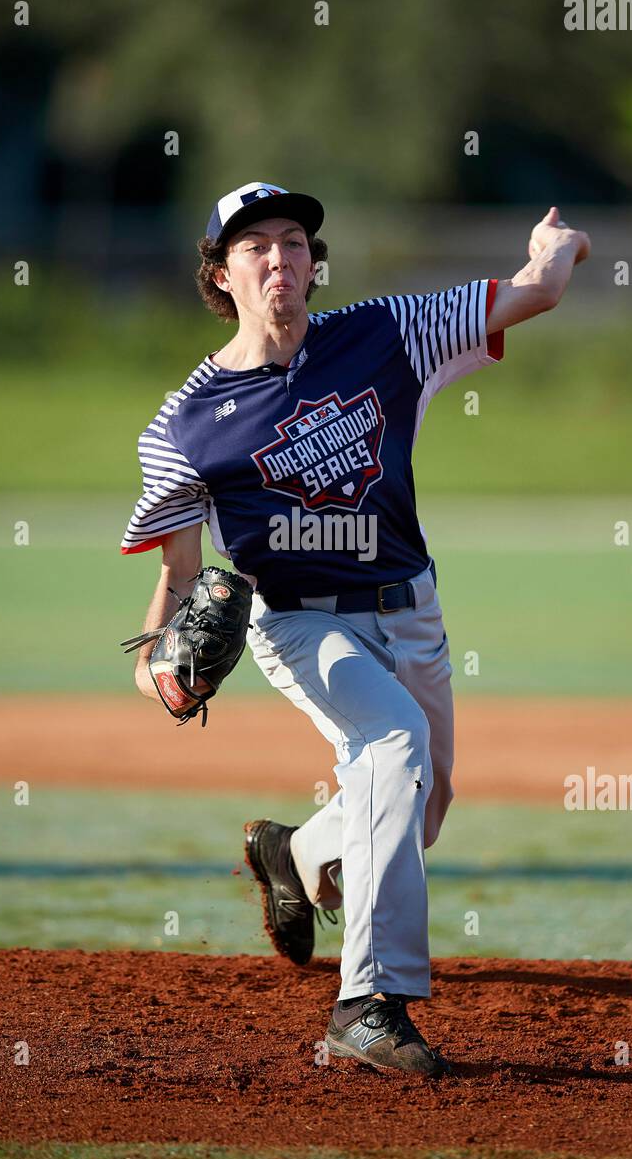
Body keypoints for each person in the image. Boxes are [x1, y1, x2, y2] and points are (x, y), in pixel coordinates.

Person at [122, 181, 590, 1076]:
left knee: (418, 810)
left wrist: (561, 247)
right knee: (395, 746)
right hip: (299, 623)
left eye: (294, 241)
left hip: (410, 607)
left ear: (313, 262)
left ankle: (293, 854)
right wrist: (158, 672)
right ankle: (368, 1007)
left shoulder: (386, 335)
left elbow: (535, 290)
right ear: (221, 274)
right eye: (254, 246)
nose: (279, 259)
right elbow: (179, 580)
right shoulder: (184, 425)